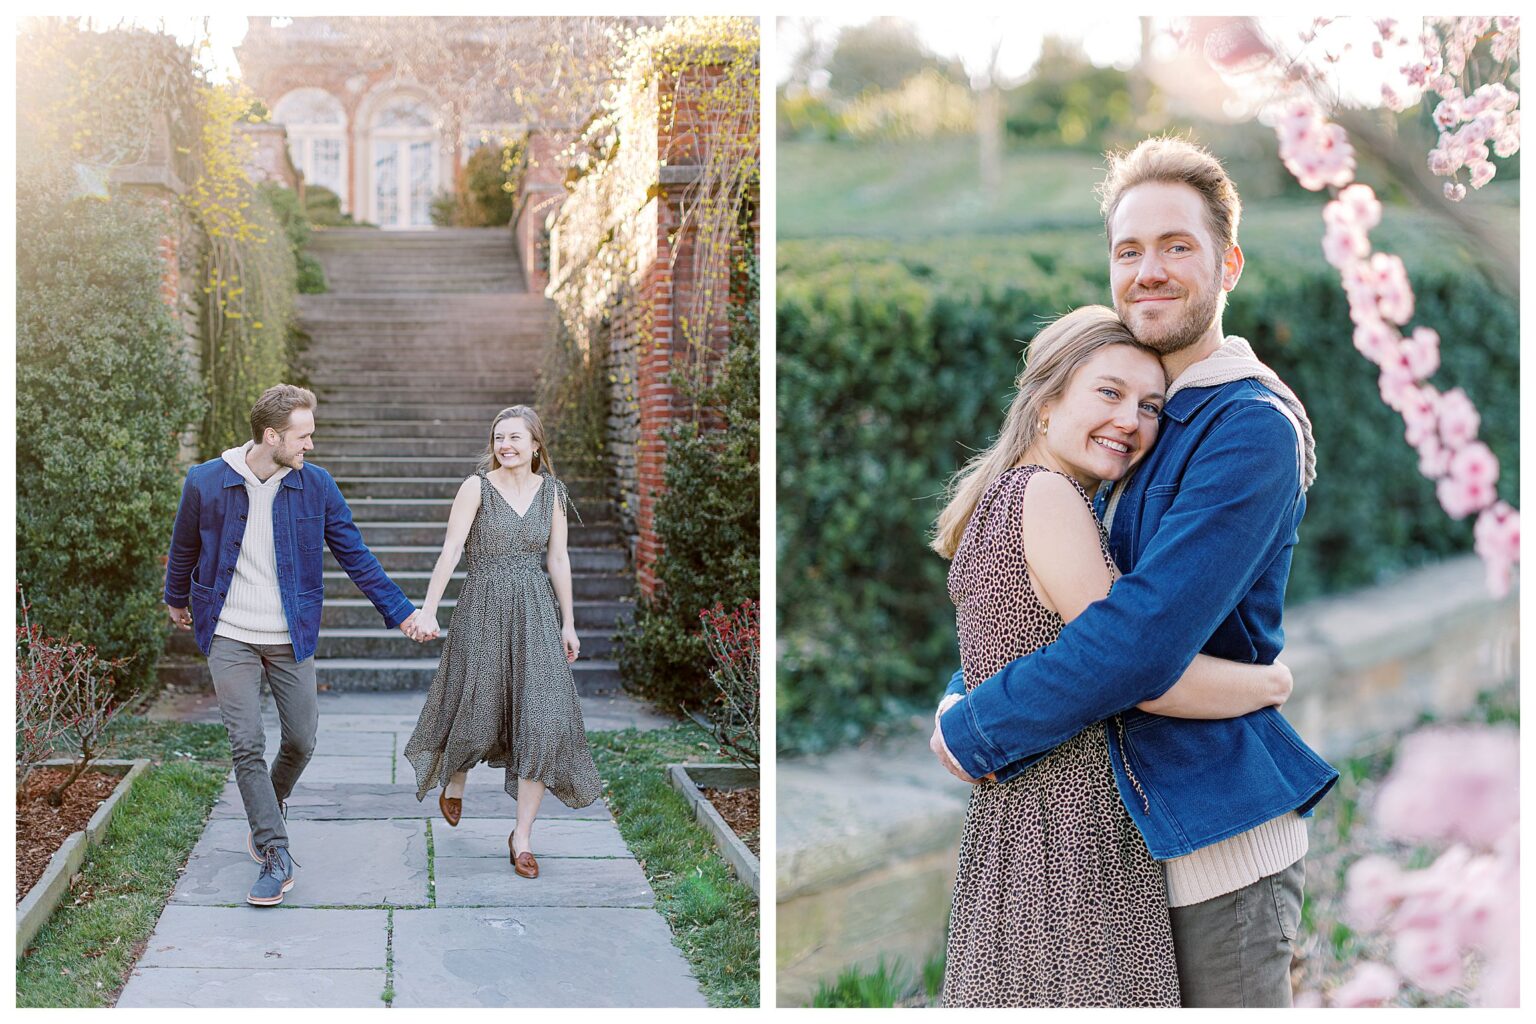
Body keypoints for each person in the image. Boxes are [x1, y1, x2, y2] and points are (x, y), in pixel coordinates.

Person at [932, 136, 1338, 1007]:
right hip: (1124, 842)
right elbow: (1043, 609)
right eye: (1129, 251)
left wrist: (976, 725)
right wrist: (964, 692)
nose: (1149, 270)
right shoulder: (1133, 437)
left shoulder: (1249, 425)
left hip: (1212, 839)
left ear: (1228, 264)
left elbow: (1136, 640)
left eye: (1177, 246)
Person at [164, 384, 431, 907]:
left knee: (302, 740)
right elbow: (184, 546)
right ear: (271, 435)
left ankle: (271, 800)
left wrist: (402, 612)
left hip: (291, 634)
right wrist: (176, 598)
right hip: (230, 632)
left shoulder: (317, 486)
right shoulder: (205, 481)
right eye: (303, 436)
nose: (311, 445)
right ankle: (274, 851)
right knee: (246, 744)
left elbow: (356, 555)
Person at [403, 404, 601, 879]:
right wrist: (428, 609)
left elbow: (558, 559)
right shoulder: (476, 488)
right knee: (475, 708)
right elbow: (451, 549)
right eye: (499, 438)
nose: (506, 446)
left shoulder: (552, 493)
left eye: (515, 438)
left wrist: (568, 623)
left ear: (536, 445)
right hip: (483, 606)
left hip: (534, 612)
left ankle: (523, 838)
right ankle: (455, 778)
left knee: (543, 719)